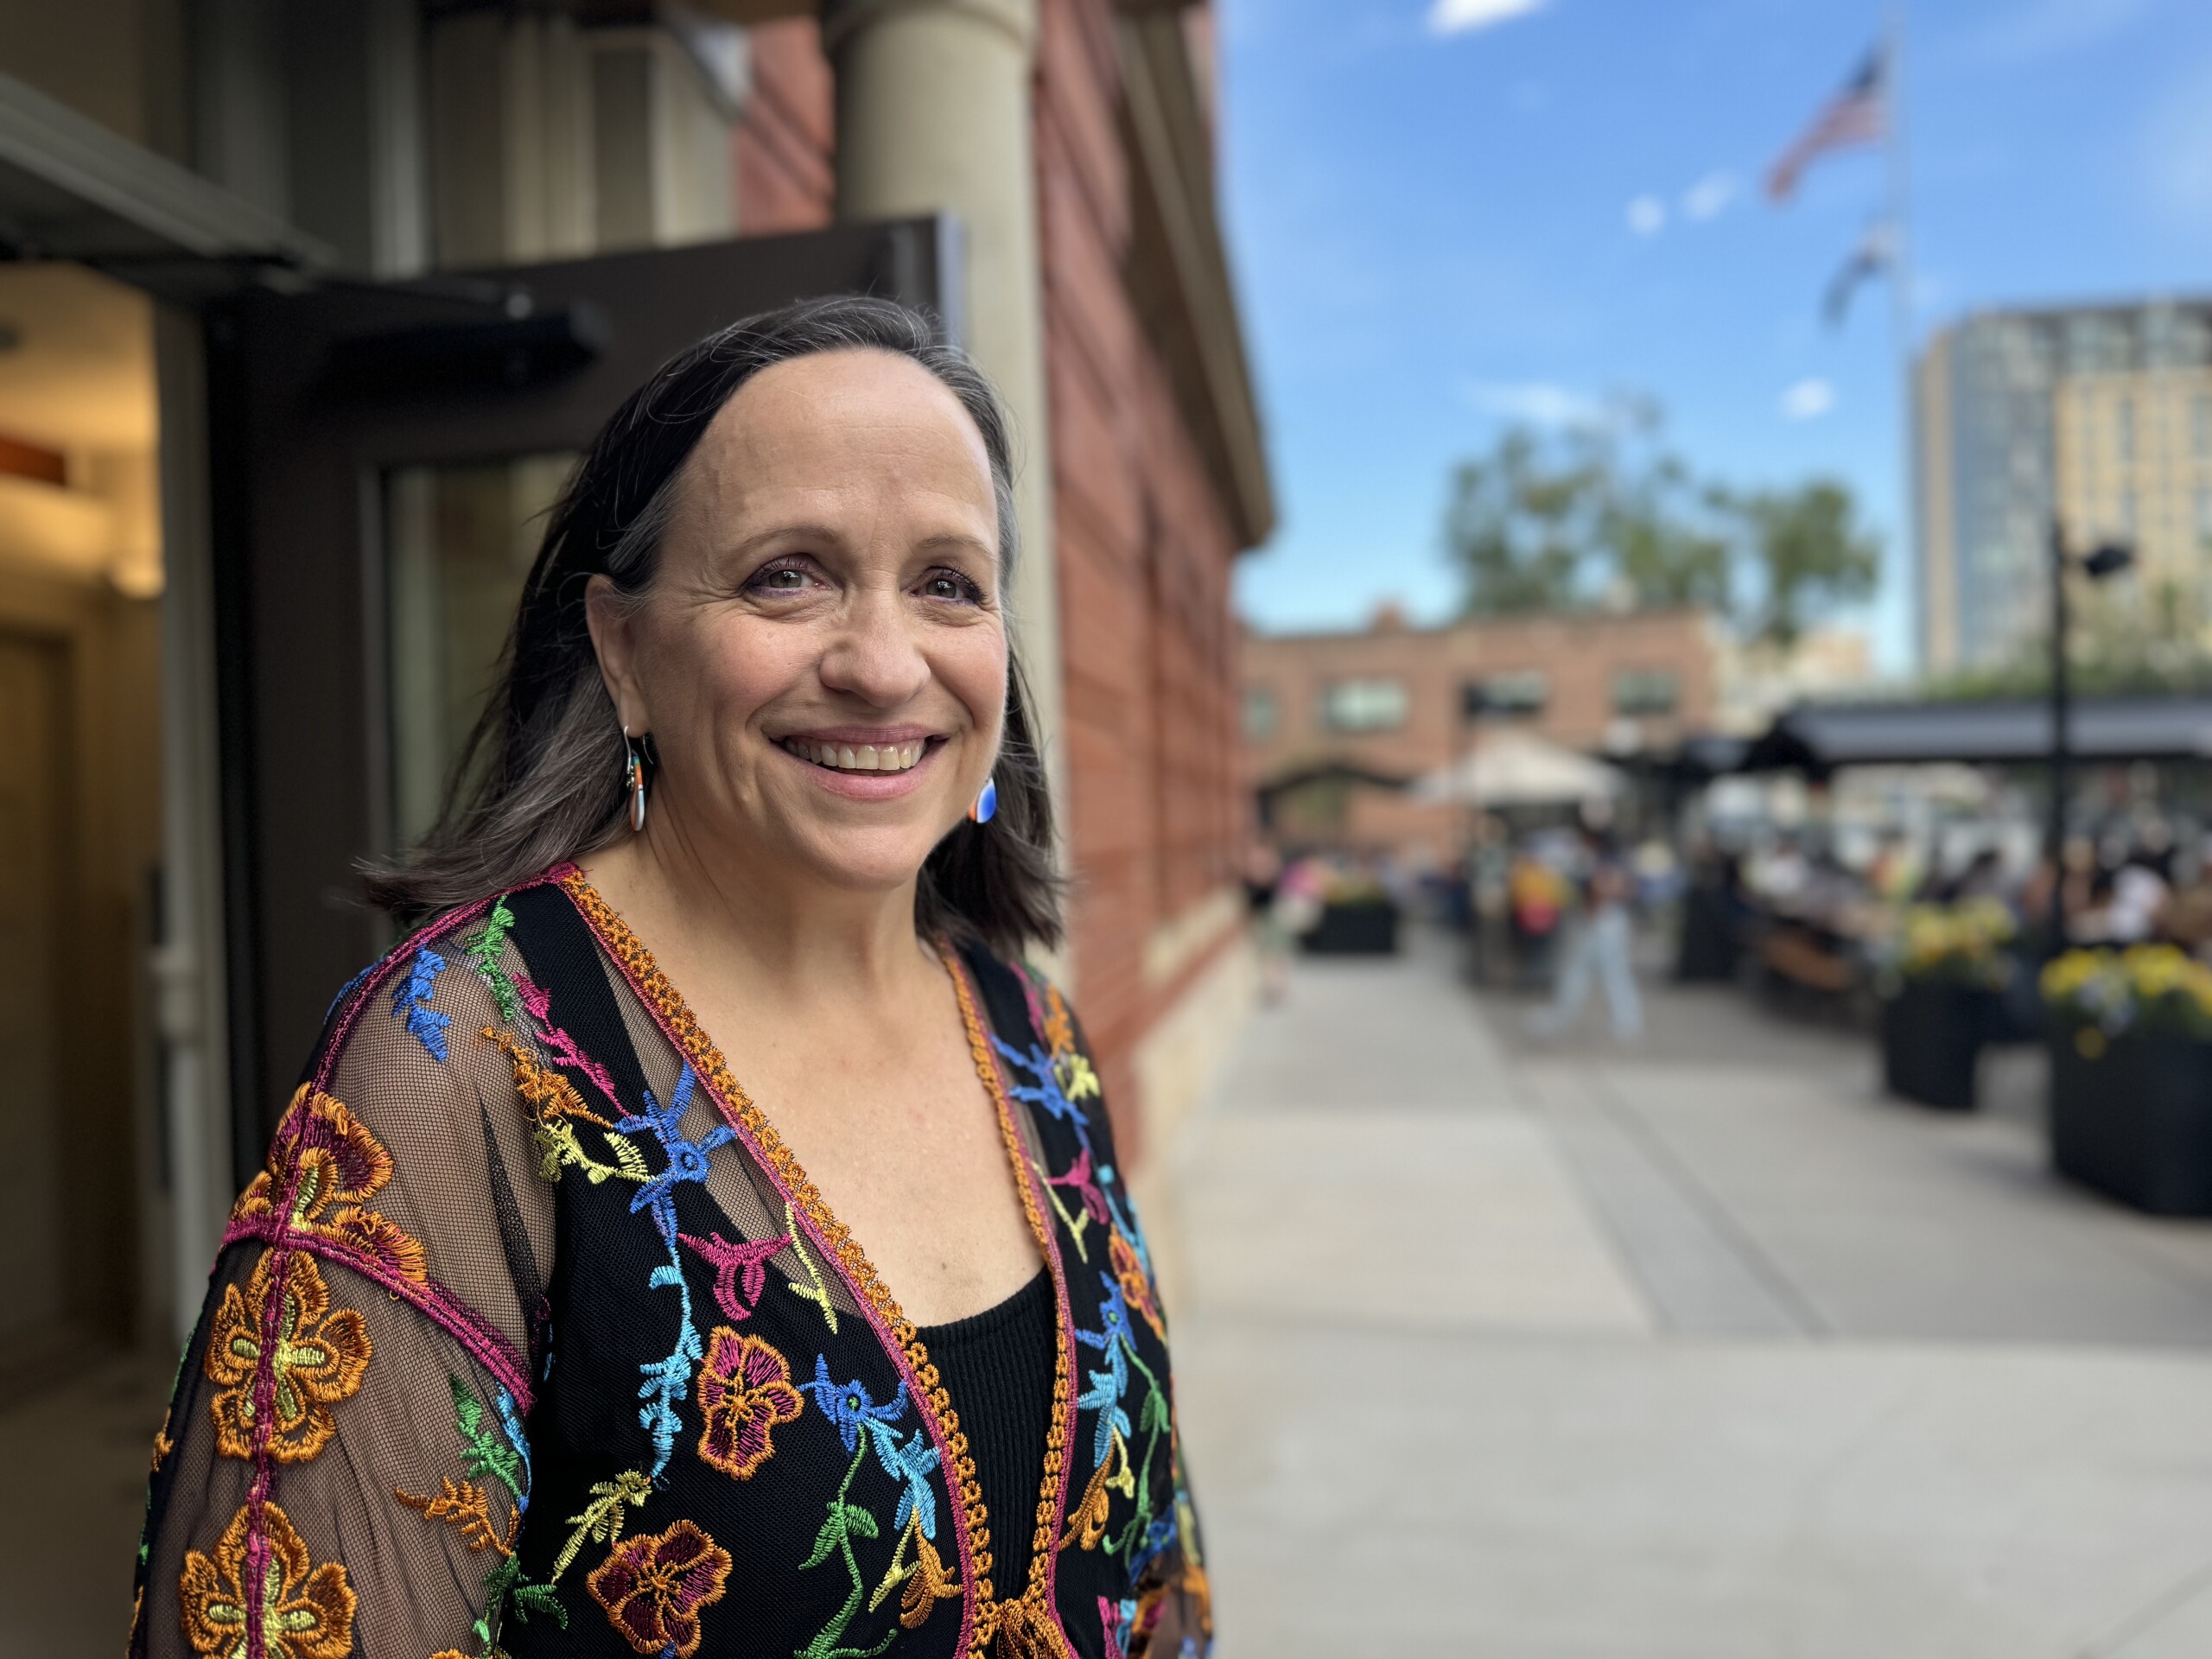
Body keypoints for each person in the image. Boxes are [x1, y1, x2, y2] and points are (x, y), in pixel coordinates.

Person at [130, 299, 1206, 1659]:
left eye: (948, 582)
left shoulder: (1033, 1035)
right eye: (786, 576)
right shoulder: (471, 1055)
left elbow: (1156, 1562)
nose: (884, 666)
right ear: (625, 650)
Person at [1529, 818, 1643, 1042]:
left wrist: (1592, 907)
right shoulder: (1610, 858)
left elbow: (1608, 888)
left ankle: (1625, 1022)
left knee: (1604, 972)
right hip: (1604, 920)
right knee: (1586, 972)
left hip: (1601, 922)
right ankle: (1621, 1021)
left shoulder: (1605, 860)